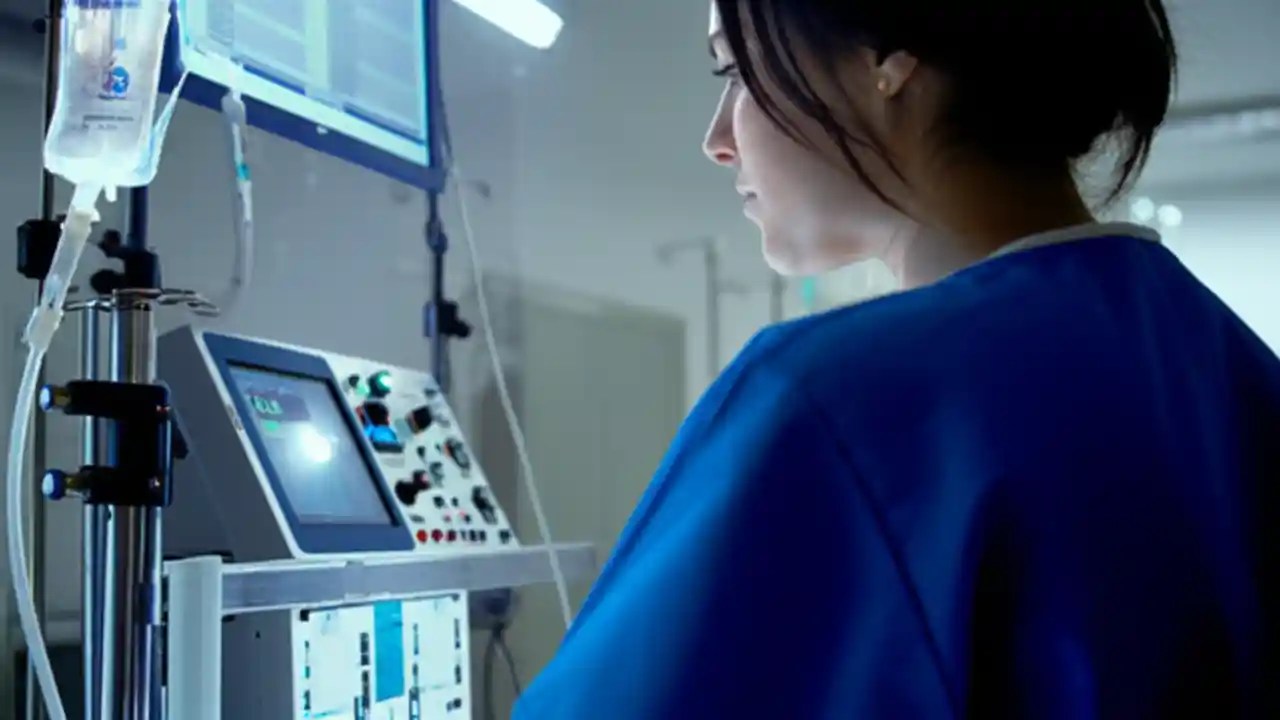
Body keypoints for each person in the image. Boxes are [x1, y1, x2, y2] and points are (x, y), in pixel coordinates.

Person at [515, 0, 1280, 717]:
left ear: (888, 59)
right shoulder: (1234, 369)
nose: (718, 137)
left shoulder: (833, 400)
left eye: (735, 73)